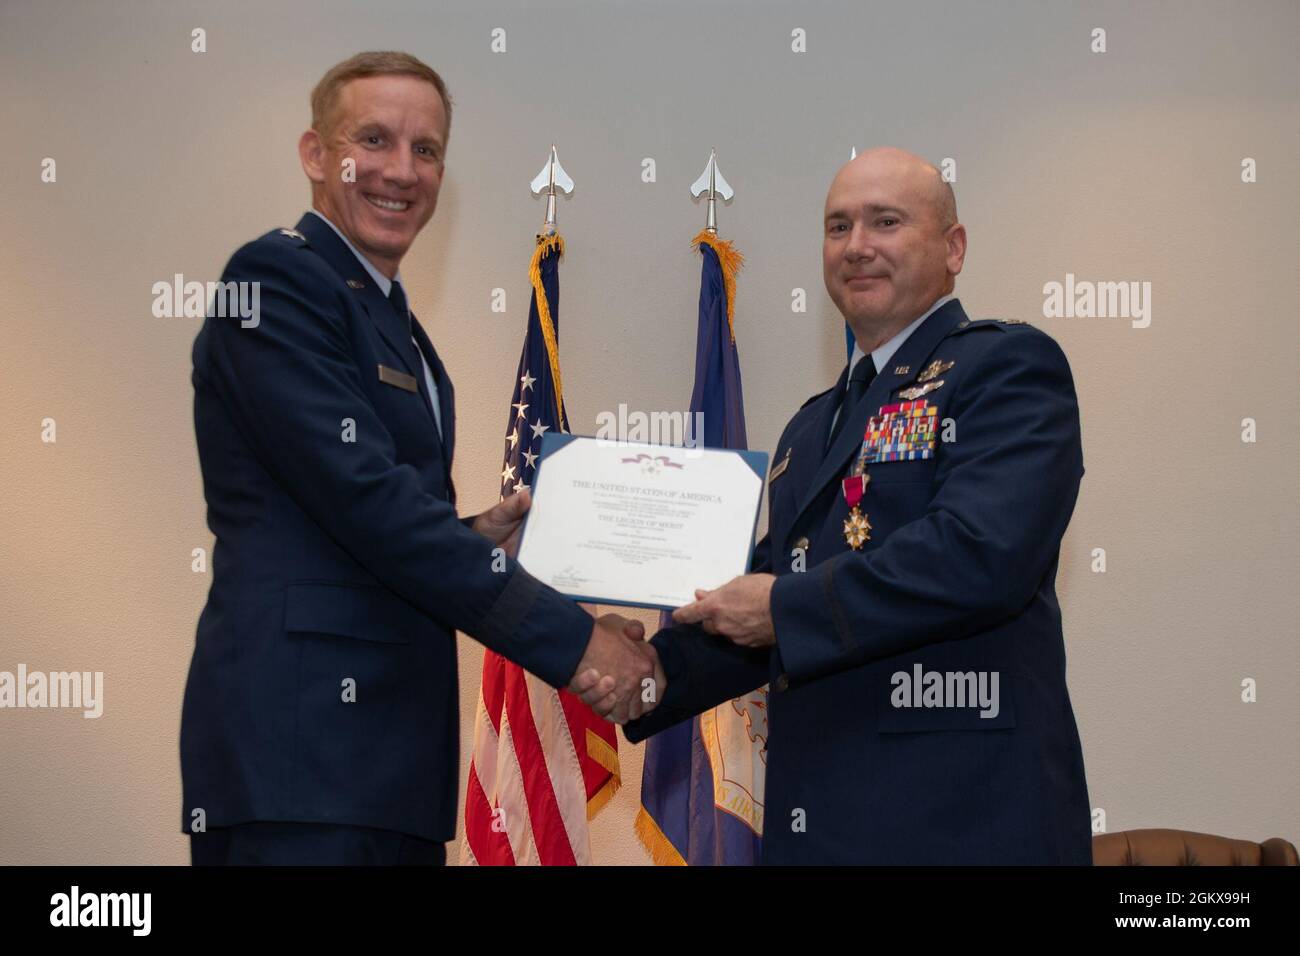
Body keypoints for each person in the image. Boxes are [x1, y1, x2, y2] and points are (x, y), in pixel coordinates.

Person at [181, 51, 655, 866]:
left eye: (426, 149)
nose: (401, 170)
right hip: (304, 761)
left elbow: (359, 526)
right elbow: (370, 504)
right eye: (374, 139)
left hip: (383, 769)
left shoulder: (396, 324)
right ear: (315, 154)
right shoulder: (274, 282)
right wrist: (576, 644)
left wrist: (475, 535)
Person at [599, 147, 1092, 864]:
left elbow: (982, 554)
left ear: (953, 248)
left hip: (961, 826)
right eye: (838, 227)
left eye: (885, 222)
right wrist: (649, 675)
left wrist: (780, 609)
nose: (857, 246)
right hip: (822, 827)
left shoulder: (1006, 368)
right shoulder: (814, 424)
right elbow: (769, 591)